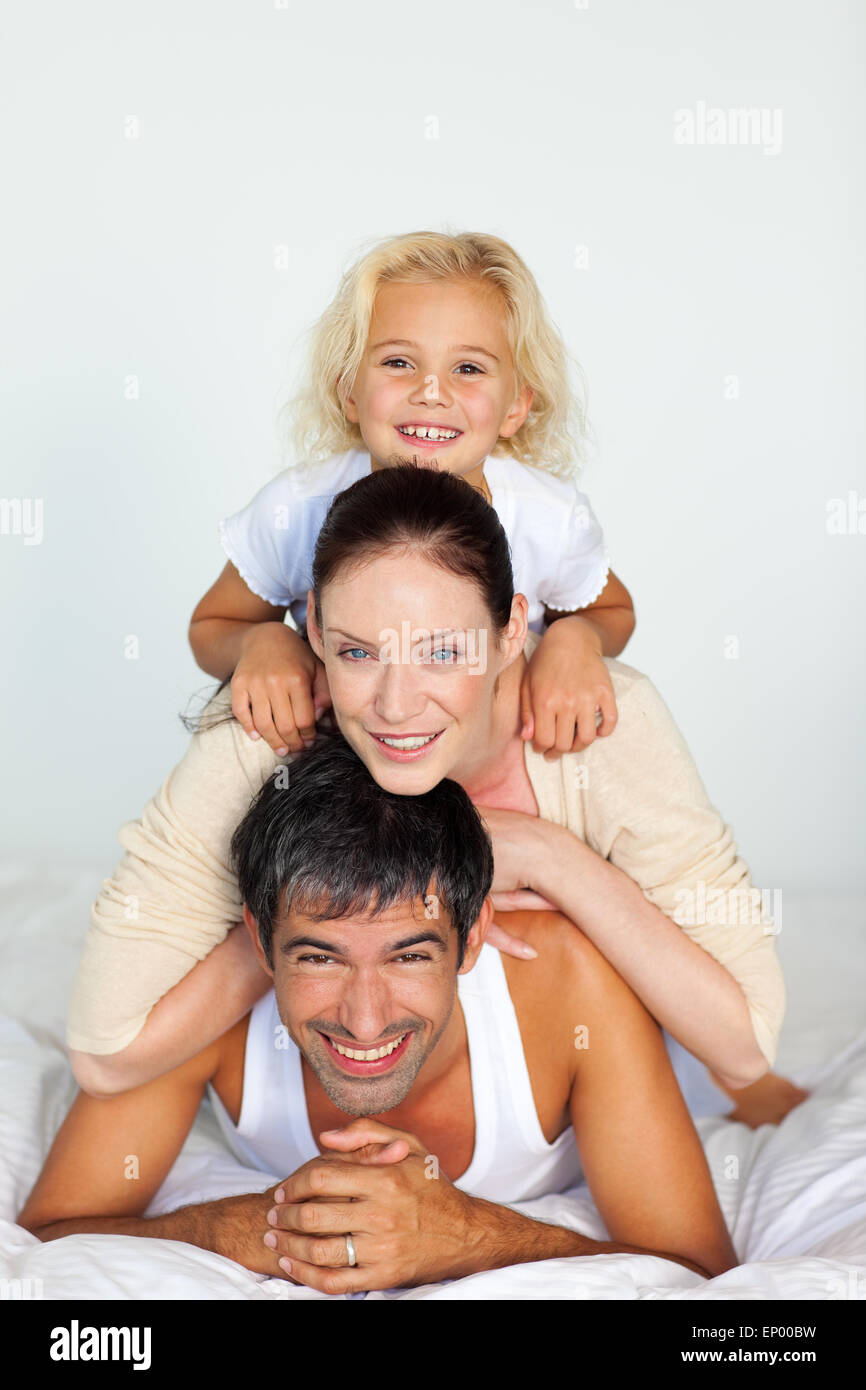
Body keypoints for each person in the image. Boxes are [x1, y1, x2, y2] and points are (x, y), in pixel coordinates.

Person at [68, 466, 802, 1129]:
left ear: (512, 630)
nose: (395, 705)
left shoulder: (604, 721)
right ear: (315, 629)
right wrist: (305, 914)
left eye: (444, 653)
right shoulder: (265, 731)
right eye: (359, 651)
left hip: (574, 1092)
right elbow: (104, 1056)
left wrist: (542, 855)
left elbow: (743, 1046)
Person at [21, 736, 738, 1292]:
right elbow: (49, 1234)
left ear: (474, 935)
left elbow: (698, 1271)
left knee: (729, 1078)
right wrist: (249, 1228)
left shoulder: (573, 985)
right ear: (260, 940)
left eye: (409, 958)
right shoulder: (204, 1006)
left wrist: (464, 1234)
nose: (365, 1023)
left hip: (632, 1042)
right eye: (319, 959)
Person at [189, 229, 635, 761]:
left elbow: (615, 610)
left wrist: (576, 639)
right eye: (399, 362)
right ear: (349, 389)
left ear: (516, 406)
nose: (431, 392)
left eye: (467, 369)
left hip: (495, 755)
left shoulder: (550, 517)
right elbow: (211, 625)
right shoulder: (295, 508)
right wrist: (259, 642)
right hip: (358, 764)